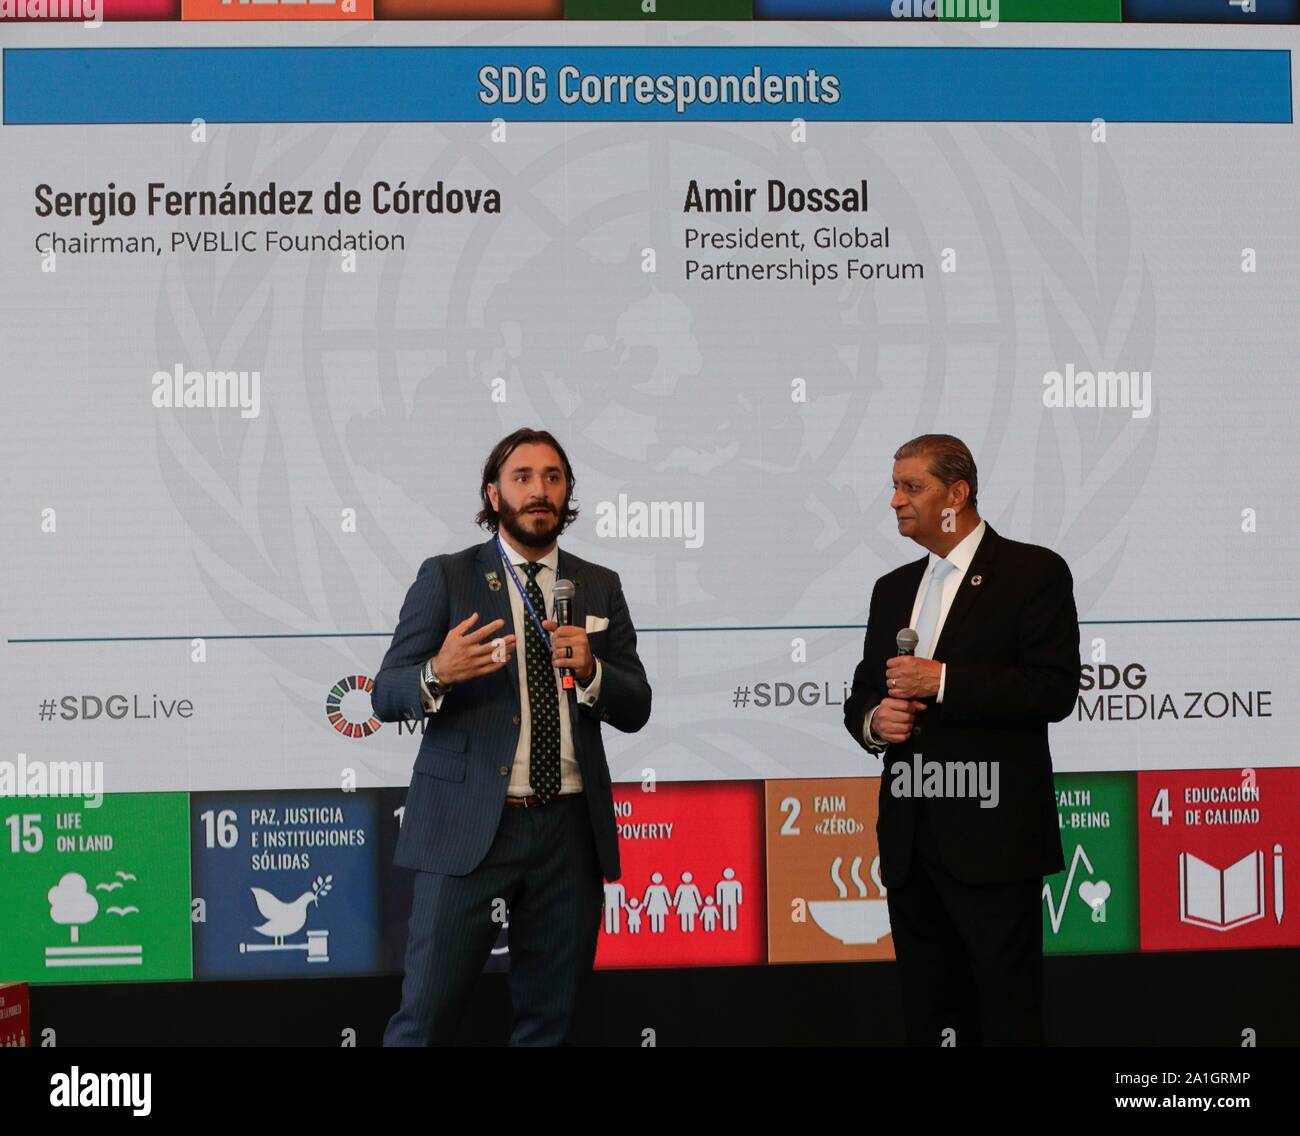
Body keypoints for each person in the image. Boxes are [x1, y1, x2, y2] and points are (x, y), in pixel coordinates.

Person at [374, 427, 651, 1046]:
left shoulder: (598, 584)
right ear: (493, 495)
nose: (539, 490)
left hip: (569, 830)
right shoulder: (447, 577)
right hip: (469, 825)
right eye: (523, 477)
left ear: (568, 494)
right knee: (424, 1018)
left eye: (553, 477)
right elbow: (385, 694)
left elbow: (636, 706)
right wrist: (436, 673)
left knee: (549, 1026)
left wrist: (594, 670)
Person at [844, 434, 1080, 1046]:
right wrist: (875, 723)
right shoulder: (892, 589)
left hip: (995, 843)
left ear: (957, 493)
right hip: (911, 844)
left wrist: (944, 681)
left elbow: (1052, 690)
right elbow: (863, 694)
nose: (895, 500)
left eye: (911, 487)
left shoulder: (1034, 572)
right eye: (894, 486)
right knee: (929, 1018)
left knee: (1006, 1015)